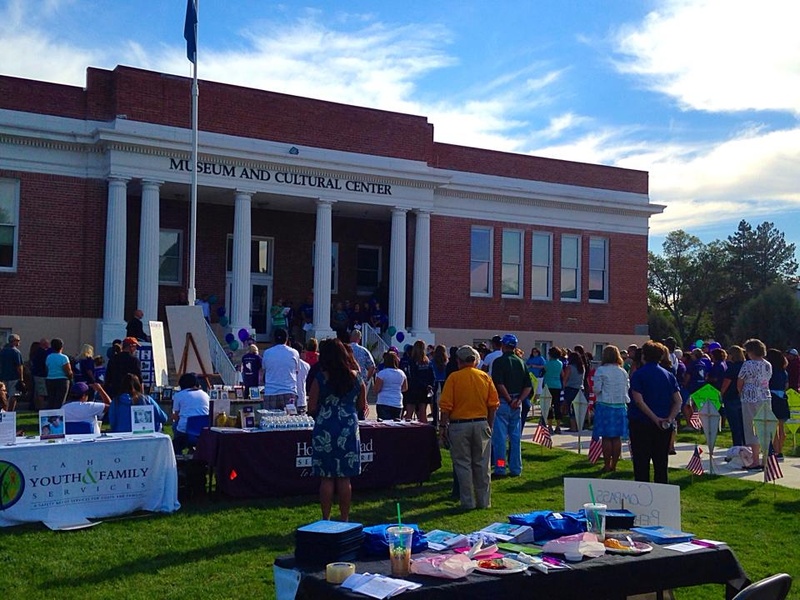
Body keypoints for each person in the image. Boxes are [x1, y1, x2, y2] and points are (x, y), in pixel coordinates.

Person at [307, 338, 368, 521]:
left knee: (326, 477)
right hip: (348, 426)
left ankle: (325, 518)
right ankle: (344, 518)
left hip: (325, 426)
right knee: (344, 477)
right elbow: (362, 405)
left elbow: (311, 407)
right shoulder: (356, 377)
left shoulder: (321, 378)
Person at [439, 345, 499, 510]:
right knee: (482, 464)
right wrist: (490, 424)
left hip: (459, 425)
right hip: (481, 423)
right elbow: (493, 405)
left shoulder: (454, 378)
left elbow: (446, 407)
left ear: (458, 361)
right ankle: (484, 501)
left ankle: (468, 502)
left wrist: (442, 427)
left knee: (462, 464)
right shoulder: (484, 377)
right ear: (475, 360)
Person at [628, 341, 682, 484]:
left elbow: (639, 401)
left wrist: (654, 418)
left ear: (644, 356)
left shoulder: (638, 375)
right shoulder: (669, 375)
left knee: (641, 464)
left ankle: (642, 493)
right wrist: (669, 419)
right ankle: (661, 493)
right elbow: (678, 401)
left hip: (641, 423)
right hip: (664, 425)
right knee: (661, 464)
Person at [490, 334, 531, 478]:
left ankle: (500, 467)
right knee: (515, 438)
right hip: (517, 402)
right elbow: (528, 386)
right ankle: (516, 468)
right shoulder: (521, 362)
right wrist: (519, 400)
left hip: (503, 402)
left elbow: (499, 383)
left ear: (503, 345)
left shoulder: (499, 362)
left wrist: (508, 399)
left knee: (500, 439)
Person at [592, 345, 630, 473]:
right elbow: (627, 387)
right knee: (617, 437)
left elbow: (597, 389)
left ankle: (607, 464)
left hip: (605, 405)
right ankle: (614, 465)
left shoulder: (601, 370)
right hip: (620, 405)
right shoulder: (623, 371)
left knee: (606, 437)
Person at [737, 338, 772, 469]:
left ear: (751, 351)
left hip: (750, 398)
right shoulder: (767, 364)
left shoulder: (748, 364)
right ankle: (765, 459)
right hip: (765, 396)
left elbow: (740, 381)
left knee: (751, 428)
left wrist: (741, 392)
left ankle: (755, 460)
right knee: (764, 427)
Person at [171, 373, 211, 454]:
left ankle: (178, 453)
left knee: (175, 426)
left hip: (185, 430)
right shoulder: (205, 395)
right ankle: (192, 450)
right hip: (203, 430)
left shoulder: (179, 395)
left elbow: (176, 416)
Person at [262, 328, 300, 410]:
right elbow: (297, 371)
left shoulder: (267, 353)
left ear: (274, 339)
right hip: (289, 391)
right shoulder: (294, 353)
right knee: (290, 418)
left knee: (269, 418)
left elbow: (264, 371)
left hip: (271, 392)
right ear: (287, 339)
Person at [720, 345, 747, 448]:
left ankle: (737, 446)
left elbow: (726, 383)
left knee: (734, 424)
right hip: (744, 397)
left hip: (731, 396)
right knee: (743, 424)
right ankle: (746, 445)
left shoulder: (732, 368)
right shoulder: (745, 366)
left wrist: (721, 393)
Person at [766, 348, 789, 460]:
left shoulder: (770, 370)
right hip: (782, 397)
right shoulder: (784, 371)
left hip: (773, 397)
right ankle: (780, 450)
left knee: (773, 428)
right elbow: (786, 385)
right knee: (781, 428)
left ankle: (776, 451)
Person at [404, 340, 435, 422]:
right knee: (422, 413)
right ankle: (423, 428)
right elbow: (432, 375)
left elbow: (412, 375)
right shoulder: (427, 361)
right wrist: (430, 385)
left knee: (409, 413)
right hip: (424, 390)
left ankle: (407, 429)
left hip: (413, 389)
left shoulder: (412, 361)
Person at [373, 351, 407, 420]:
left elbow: (377, 389)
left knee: (384, 424)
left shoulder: (382, 373)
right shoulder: (401, 373)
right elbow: (405, 388)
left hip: (384, 401)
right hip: (397, 402)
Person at [45, 338, 72, 408]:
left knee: (51, 400)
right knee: (60, 401)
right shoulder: (64, 357)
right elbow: (68, 371)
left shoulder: (49, 357)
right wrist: (71, 377)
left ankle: (50, 413)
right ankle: (58, 414)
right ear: (61, 347)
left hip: (50, 379)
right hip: (62, 380)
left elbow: (47, 368)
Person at [543, 347, 565, 433]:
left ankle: (550, 426)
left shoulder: (547, 364)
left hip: (548, 385)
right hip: (557, 385)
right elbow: (562, 374)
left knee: (549, 406)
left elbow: (544, 371)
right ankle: (558, 426)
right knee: (557, 406)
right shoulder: (560, 363)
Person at [0, 333, 24, 411]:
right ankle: (10, 412)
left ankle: (4, 411)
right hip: (14, 377)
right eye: (18, 340)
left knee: (4, 396)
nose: (19, 342)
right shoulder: (16, 352)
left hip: (3, 377)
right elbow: (19, 366)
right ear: (14, 341)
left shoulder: (2, 351)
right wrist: (21, 379)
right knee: (14, 395)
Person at [563, 351, 585, 431]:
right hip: (580, 389)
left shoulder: (569, 367)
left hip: (570, 388)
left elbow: (565, 379)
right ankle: (579, 426)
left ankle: (573, 427)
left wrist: (563, 388)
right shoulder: (582, 367)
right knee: (578, 409)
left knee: (571, 408)